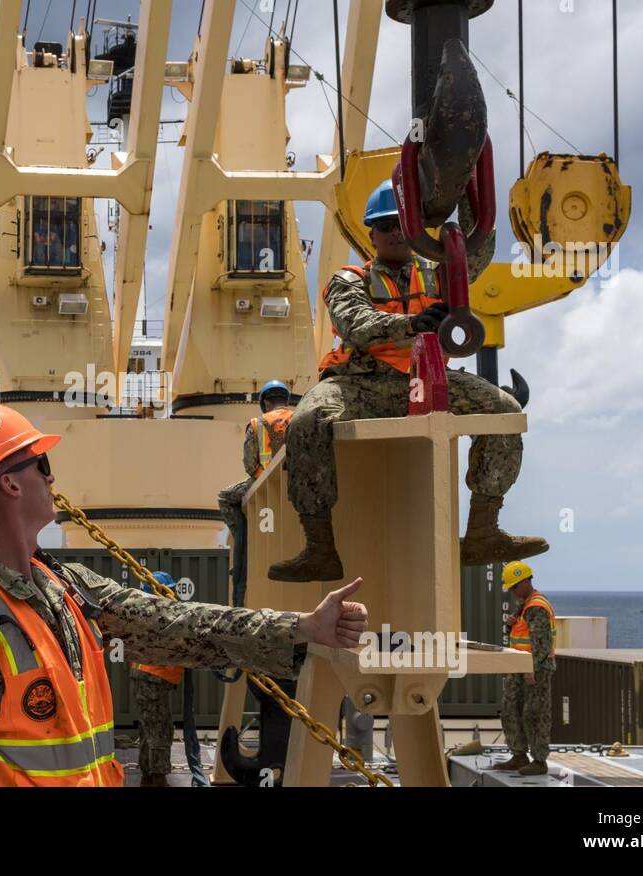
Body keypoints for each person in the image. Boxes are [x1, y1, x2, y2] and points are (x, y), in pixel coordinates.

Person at [0, 402, 370, 786]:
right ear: (8, 482)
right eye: (42, 463)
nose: (52, 478)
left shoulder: (66, 586)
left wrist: (304, 628)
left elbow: (180, 625)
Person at [269, 179, 548, 582]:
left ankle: (483, 531)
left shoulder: (441, 273)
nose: (396, 233)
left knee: (504, 411)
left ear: (418, 228)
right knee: (307, 422)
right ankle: (319, 548)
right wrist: (411, 323)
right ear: (372, 234)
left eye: (403, 223)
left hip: (427, 379)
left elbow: (478, 250)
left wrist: (470, 188)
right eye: (386, 226)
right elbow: (356, 324)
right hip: (359, 383)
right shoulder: (349, 280)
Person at [217, 380, 294, 607]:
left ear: (265, 402)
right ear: (286, 401)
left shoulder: (257, 423)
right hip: (296, 483)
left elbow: (250, 465)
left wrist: (263, 479)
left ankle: (243, 533)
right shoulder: (299, 419)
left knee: (225, 496)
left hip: (264, 483)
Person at [491, 561, 556, 776]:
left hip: (534, 669)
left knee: (534, 713)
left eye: (515, 587)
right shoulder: (524, 604)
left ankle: (539, 760)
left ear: (527, 581)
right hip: (518, 666)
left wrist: (532, 670)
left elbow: (542, 645)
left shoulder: (536, 606)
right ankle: (519, 755)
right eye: (510, 588)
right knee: (510, 709)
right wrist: (511, 624)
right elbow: (522, 635)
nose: (512, 591)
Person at [129, 570, 184, 787]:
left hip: (146, 675)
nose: (173, 593)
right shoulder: (161, 614)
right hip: (154, 677)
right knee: (160, 729)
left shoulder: (142, 613)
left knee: (148, 727)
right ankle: (158, 778)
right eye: (169, 589)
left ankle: (147, 775)